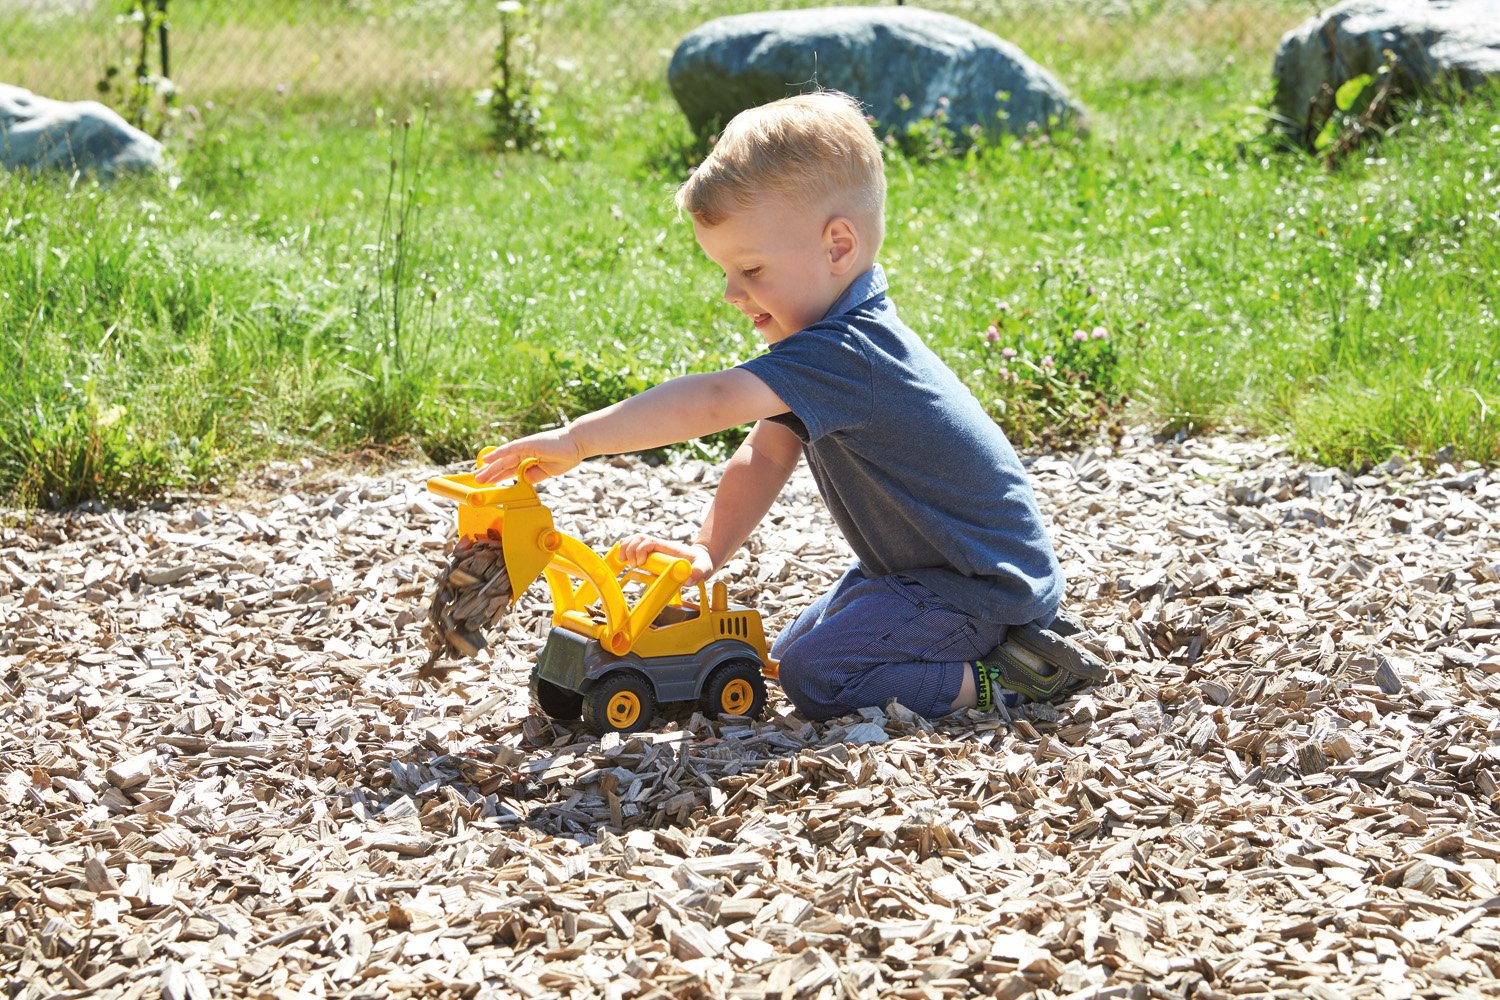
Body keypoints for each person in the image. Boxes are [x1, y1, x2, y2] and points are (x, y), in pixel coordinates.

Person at [475, 90, 1107, 721]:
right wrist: (707, 552)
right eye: (726, 271)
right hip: (926, 574)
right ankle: (989, 651)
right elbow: (765, 454)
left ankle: (1014, 677)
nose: (731, 292)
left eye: (750, 268)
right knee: (779, 655)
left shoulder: (847, 352)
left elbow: (716, 398)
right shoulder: (835, 340)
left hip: (983, 588)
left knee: (816, 678)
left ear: (837, 247)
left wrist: (578, 441)